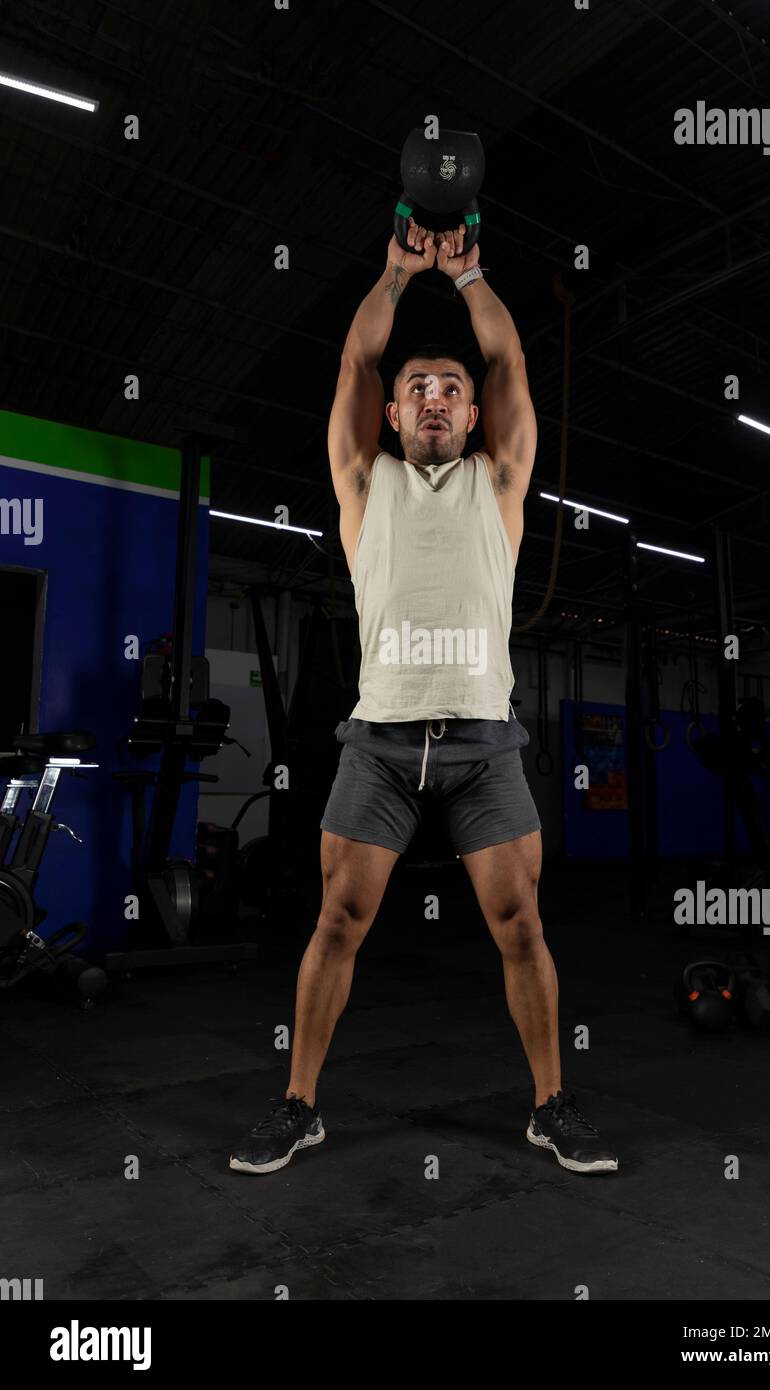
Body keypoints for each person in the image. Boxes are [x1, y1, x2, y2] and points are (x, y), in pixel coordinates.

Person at [230, 220, 618, 1177]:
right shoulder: (365, 486)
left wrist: (474, 271)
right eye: (417, 390)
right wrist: (398, 275)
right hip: (381, 744)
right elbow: (358, 353)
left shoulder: (501, 485)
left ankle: (552, 1105)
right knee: (337, 923)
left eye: (451, 388)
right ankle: (298, 1105)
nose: (435, 397)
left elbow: (511, 357)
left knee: (521, 925)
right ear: (394, 416)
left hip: (484, 740)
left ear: (474, 415)